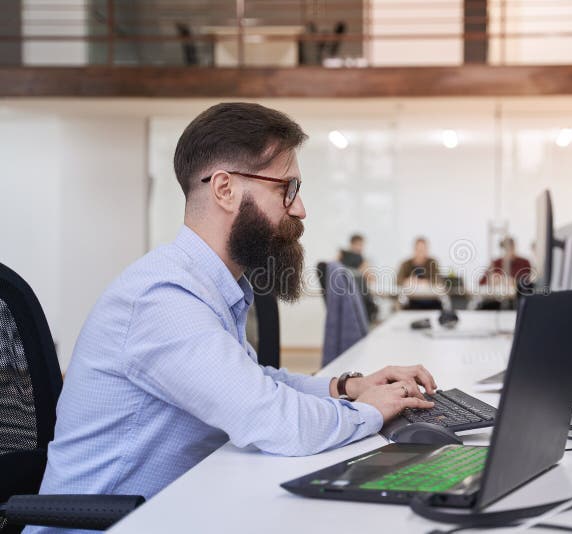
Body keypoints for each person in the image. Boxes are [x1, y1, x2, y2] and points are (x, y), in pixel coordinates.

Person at [27, 103, 436, 534]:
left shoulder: (204, 284)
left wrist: (349, 387)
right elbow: (275, 420)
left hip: (172, 510)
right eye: (287, 188)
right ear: (224, 189)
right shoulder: (162, 298)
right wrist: (370, 412)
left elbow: (254, 381)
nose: (299, 210)